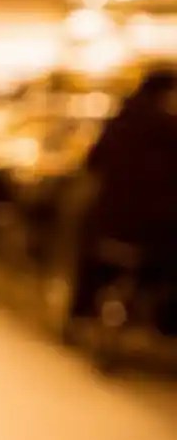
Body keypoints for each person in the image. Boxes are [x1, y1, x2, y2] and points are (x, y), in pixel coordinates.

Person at [69, 68, 177, 337]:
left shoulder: (119, 121)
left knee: (90, 252)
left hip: (108, 223)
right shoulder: (169, 129)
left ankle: (81, 315)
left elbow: (92, 162)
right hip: (154, 230)